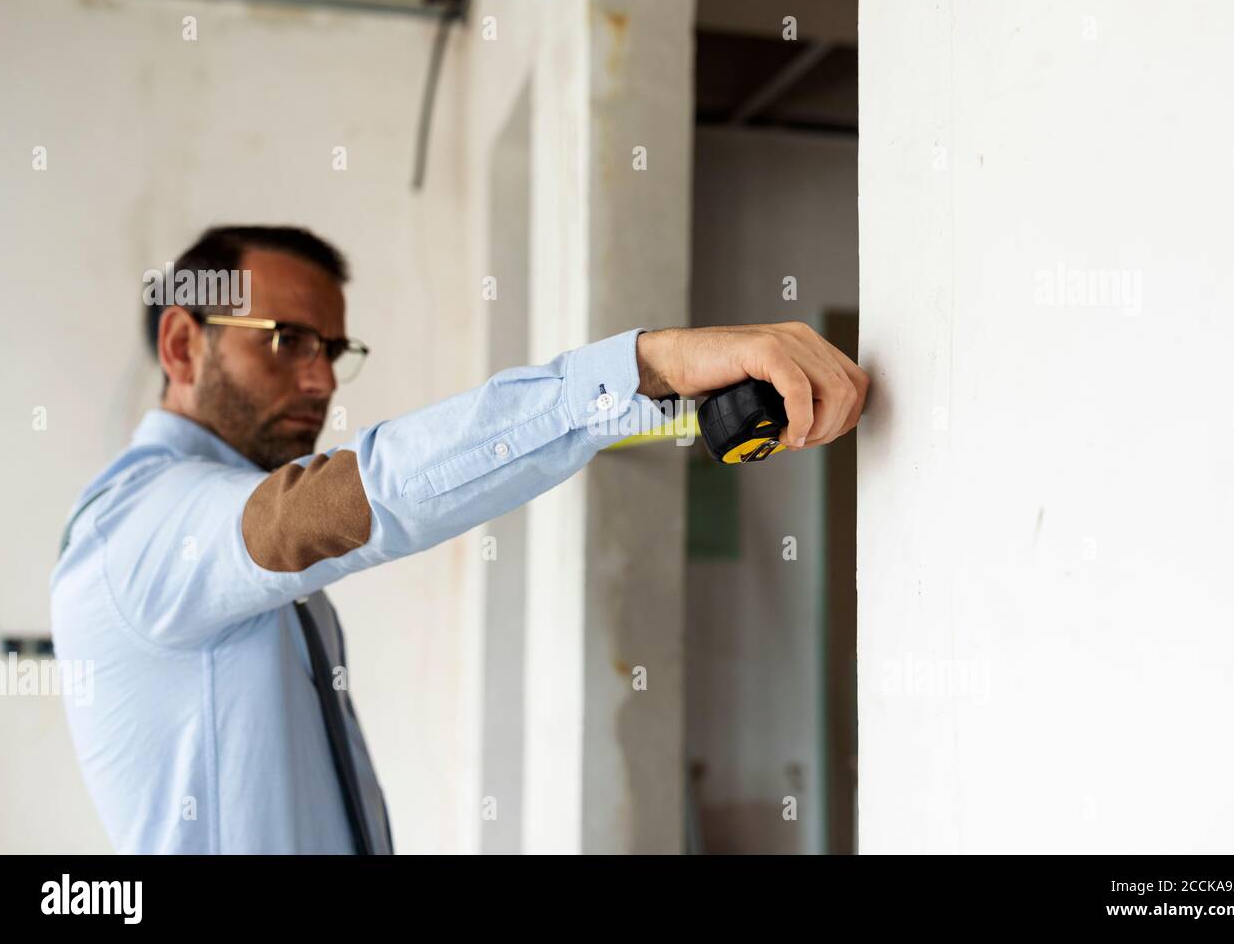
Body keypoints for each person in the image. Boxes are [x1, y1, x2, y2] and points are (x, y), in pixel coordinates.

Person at [50, 225, 870, 854]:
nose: (322, 379)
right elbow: (327, 505)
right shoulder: (135, 524)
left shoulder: (204, 517)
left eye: (333, 351)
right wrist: (645, 365)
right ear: (184, 343)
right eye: (287, 340)